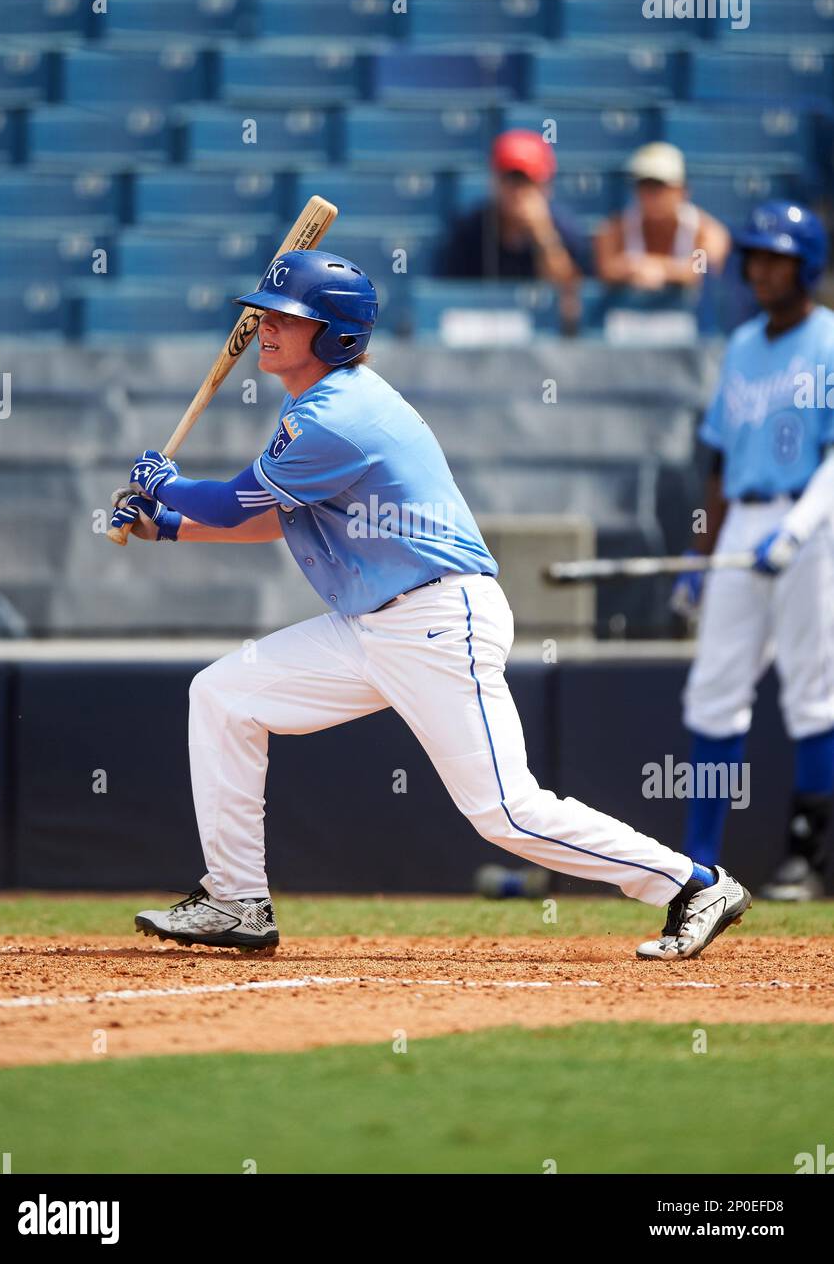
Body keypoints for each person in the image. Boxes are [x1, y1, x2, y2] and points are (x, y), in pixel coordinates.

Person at [110, 248, 750, 959]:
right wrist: (166, 524)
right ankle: (235, 899)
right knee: (224, 695)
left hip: (436, 619)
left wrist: (162, 482)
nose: (265, 325)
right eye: (265, 312)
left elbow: (233, 504)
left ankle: (693, 883)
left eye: (288, 317)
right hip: (371, 627)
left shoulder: (338, 416)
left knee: (505, 812)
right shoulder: (317, 411)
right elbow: (271, 514)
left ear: (335, 335)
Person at [673, 202, 834, 900]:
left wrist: (798, 529)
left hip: (813, 520)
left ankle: (809, 856)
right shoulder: (740, 346)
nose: (763, 270)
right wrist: (699, 555)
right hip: (743, 526)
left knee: (813, 691)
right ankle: (698, 865)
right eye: (755, 258)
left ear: (807, 266)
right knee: (713, 692)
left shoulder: (829, 339)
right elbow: (718, 461)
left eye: (778, 258)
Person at [437, 129, 589, 335]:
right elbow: (449, 300)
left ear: (545, 186)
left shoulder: (563, 229)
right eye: (509, 179)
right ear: (494, 181)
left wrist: (543, 233)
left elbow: (571, 304)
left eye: (525, 181)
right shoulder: (470, 229)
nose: (516, 191)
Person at [595, 142, 730, 340]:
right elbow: (606, 268)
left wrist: (656, 268)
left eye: (660, 186)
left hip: (689, 334)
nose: (651, 195)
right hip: (629, 332)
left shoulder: (706, 230)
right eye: (644, 185)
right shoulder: (616, 229)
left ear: (682, 190)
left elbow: (703, 268)